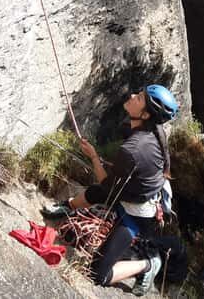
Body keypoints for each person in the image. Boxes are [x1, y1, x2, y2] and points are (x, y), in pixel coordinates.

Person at [43, 85, 180, 295]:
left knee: (98, 275)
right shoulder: (153, 129)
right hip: (137, 191)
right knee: (98, 192)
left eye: (140, 97)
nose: (133, 95)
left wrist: (94, 157)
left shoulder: (133, 150)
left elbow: (108, 186)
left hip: (139, 216)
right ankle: (67, 207)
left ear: (145, 114)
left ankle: (149, 264)